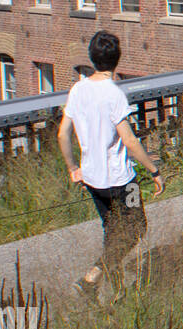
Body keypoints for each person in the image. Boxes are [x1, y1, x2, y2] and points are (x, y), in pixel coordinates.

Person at [58, 31, 164, 301]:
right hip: (121, 181)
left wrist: (73, 169)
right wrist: (154, 170)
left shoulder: (78, 88)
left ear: (92, 59)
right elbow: (128, 139)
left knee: (113, 232)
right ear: (117, 59)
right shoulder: (114, 94)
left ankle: (115, 293)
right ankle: (91, 278)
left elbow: (63, 134)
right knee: (136, 228)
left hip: (92, 180)